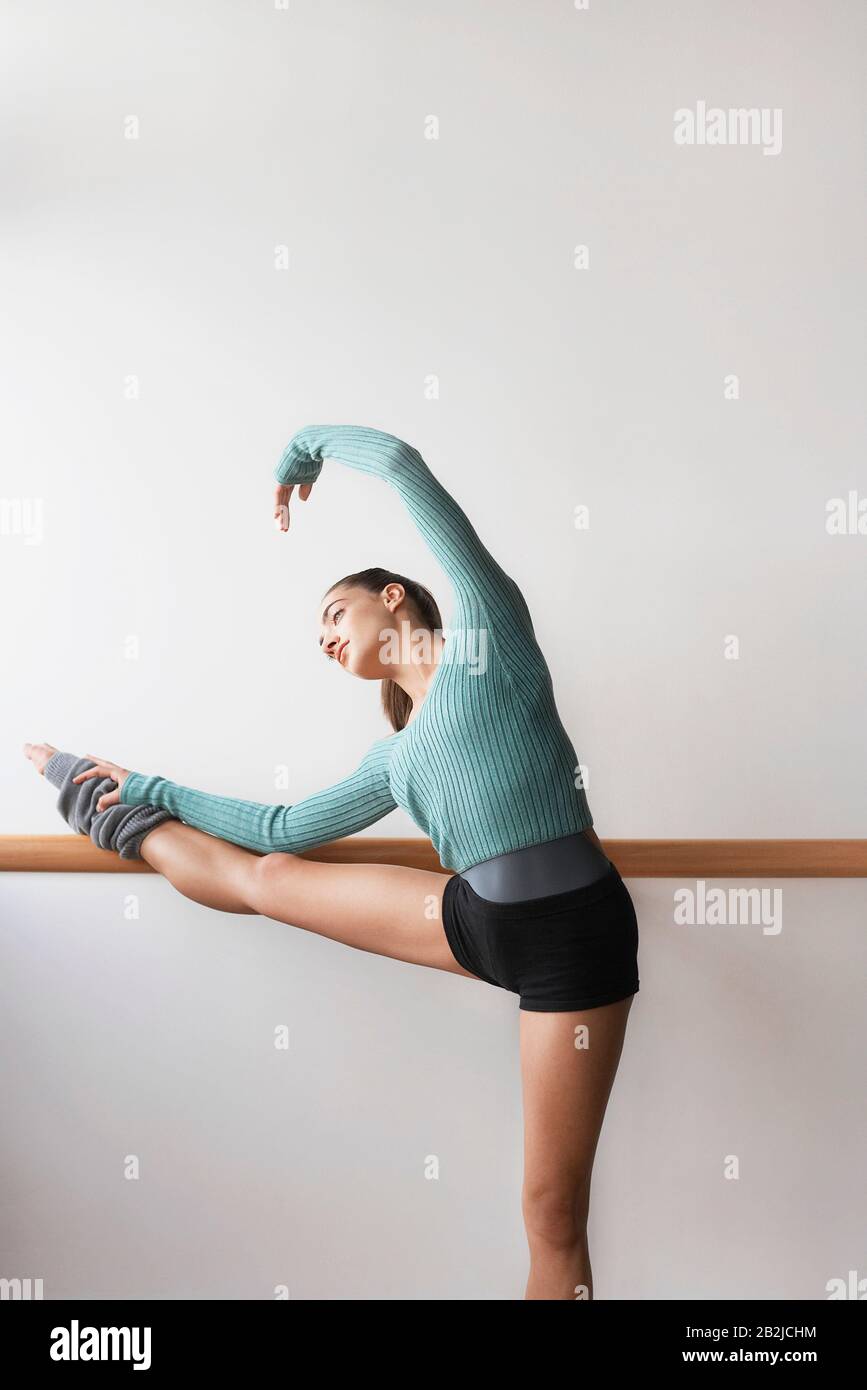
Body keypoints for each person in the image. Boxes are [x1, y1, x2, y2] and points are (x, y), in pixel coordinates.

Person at [24, 423, 639, 1300]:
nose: (322, 636)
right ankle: (110, 811)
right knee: (266, 880)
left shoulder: (490, 642)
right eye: (316, 631)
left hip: (574, 942)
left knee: (549, 1209)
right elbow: (280, 826)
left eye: (332, 614)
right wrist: (148, 783)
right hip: (473, 921)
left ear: (394, 598)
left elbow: (400, 465)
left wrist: (299, 453)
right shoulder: (394, 756)